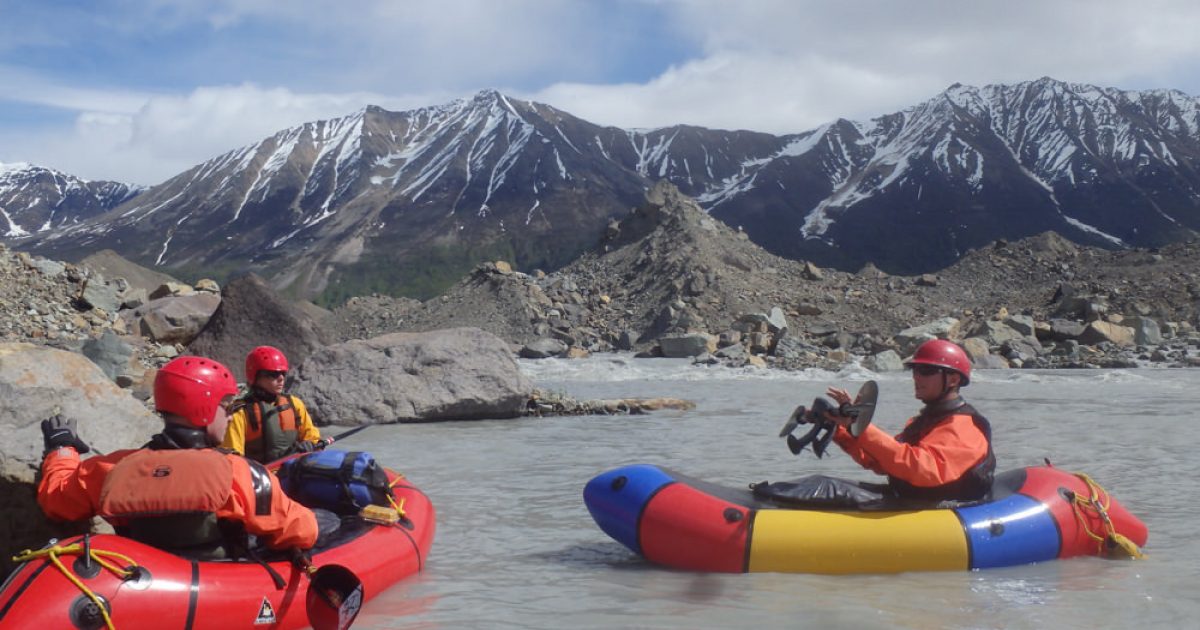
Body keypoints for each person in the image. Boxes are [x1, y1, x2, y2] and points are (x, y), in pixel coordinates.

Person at [37, 356, 318, 559]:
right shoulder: (240, 473)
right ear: (204, 409)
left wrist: (62, 449)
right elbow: (301, 531)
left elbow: (56, 498)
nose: (231, 416)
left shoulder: (112, 469)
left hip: (143, 583)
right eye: (225, 407)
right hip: (218, 588)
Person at [825, 339, 995, 502]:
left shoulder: (965, 426)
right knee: (821, 484)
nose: (916, 377)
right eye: (915, 370)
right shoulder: (923, 422)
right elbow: (881, 462)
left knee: (826, 489)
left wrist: (860, 426)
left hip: (944, 507)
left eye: (925, 371)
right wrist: (841, 429)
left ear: (953, 379)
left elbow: (922, 470)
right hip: (913, 501)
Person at [222, 345, 330, 464]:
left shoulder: (295, 404)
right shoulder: (240, 413)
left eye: (283, 373)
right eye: (273, 374)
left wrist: (310, 444)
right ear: (256, 376)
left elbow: (313, 438)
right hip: (260, 474)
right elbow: (232, 459)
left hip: (292, 470)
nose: (281, 378)